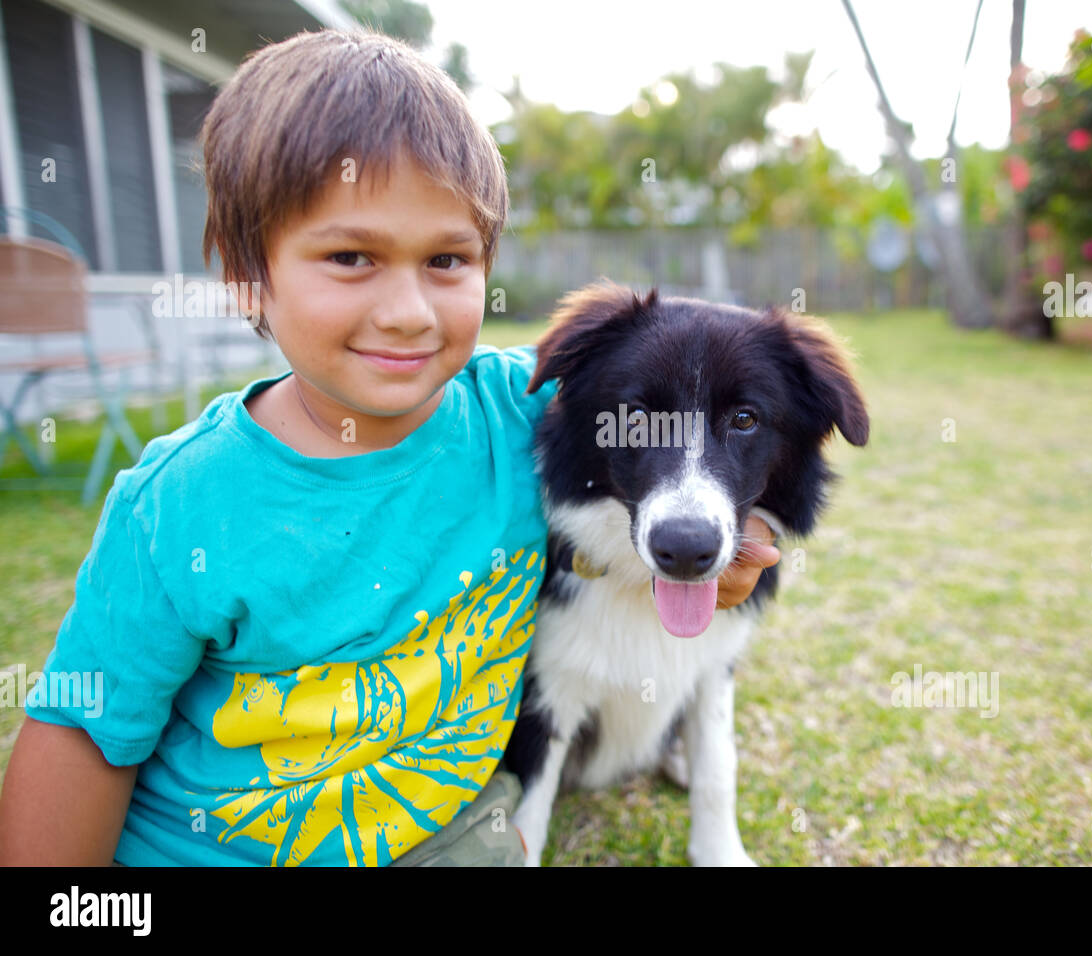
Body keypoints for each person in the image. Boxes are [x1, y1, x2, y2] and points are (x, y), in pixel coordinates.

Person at [0, 29, 779, 867]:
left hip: (441, 840)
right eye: (350, 256)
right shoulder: (178, 506)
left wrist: (721, 546)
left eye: (447, 258)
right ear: (244, 274)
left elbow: (693, 372)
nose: (409, 310)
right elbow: (81, 735)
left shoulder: (525, 409)